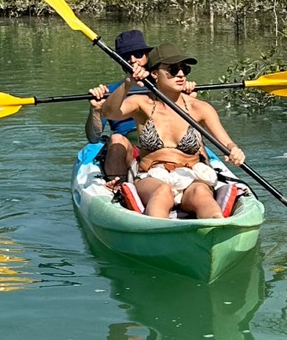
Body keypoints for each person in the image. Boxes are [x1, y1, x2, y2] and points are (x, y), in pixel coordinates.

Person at [109, 46, 247, 220]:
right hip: (152, 176)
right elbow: (109, 112)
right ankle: (158, 235)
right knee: (162, 192)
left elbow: (227, 142)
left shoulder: (200, 108)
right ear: (154, 74)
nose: (181, 74)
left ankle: (215, 231)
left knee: (200, 192)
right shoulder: (141, 103)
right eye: (173, 70)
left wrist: (234, 150)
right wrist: (127, 83)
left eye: (185, 69)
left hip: (192, 175)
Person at [85, 29, 150, 182]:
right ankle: (118, 188)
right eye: (127, 57)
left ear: (147, 57)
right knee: (116, 139)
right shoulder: (111, 92)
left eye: (139, 54)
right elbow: (93, 138)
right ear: (120, 61)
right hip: (128, 148)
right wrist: (95, 110)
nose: (133, 60)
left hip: (163, 144)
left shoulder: (166, 85)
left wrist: (186, 91)